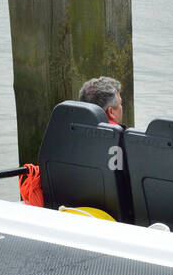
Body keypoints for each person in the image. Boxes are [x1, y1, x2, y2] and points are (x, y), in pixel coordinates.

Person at [19, 76, 124, 206]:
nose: (121, 107)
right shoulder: (120, 142)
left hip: (61, 207)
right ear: (111, 112)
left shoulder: (60, 136)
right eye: (120, 104)